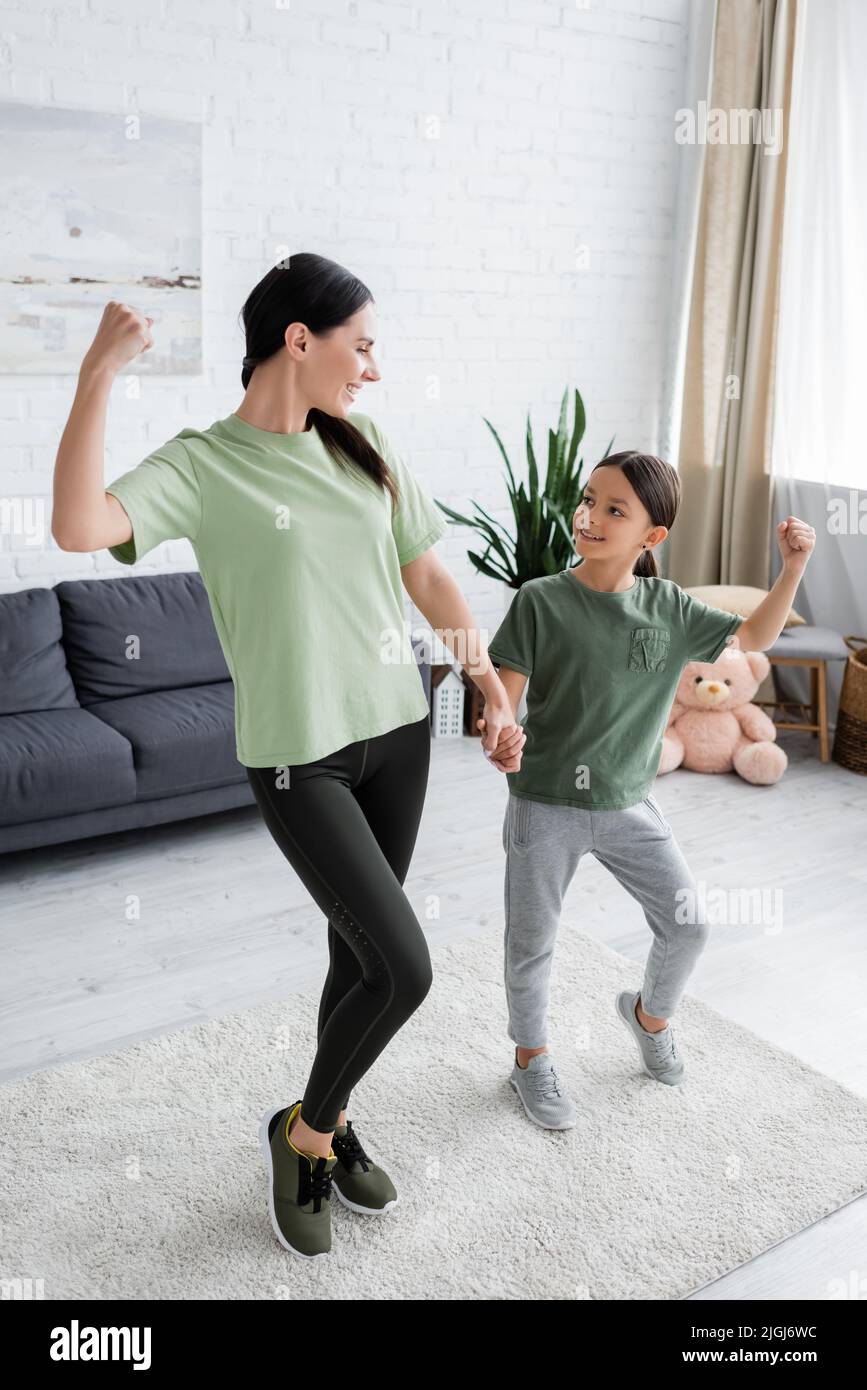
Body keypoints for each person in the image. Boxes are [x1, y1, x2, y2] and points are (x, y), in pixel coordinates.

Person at [51, 252, 526, 1260]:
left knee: (356, 955)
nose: (374, 369)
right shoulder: (200, 465)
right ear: (298, 340)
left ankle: (332, 1114)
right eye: (363, 346)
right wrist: (97, 375)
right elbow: (77, 524)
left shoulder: (362, 443)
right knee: (404, 965)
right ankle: (303, 1132)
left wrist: (486, 684)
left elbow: (430, 578)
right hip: (295, 758)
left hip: (397, 729)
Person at [486, 451, 816, 1129]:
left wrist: (792, 568)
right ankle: (530, 1060)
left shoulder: (669, 608)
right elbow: (501, 705)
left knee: (689, 924)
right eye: (587, 500)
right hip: (544, 803)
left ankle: (648, 1017)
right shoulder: (539, 601)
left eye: (614, 509)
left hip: (629, 804)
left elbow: (755, 634)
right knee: (531, 943)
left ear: (650, 536)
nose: (590, 516)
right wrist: (499, 733)